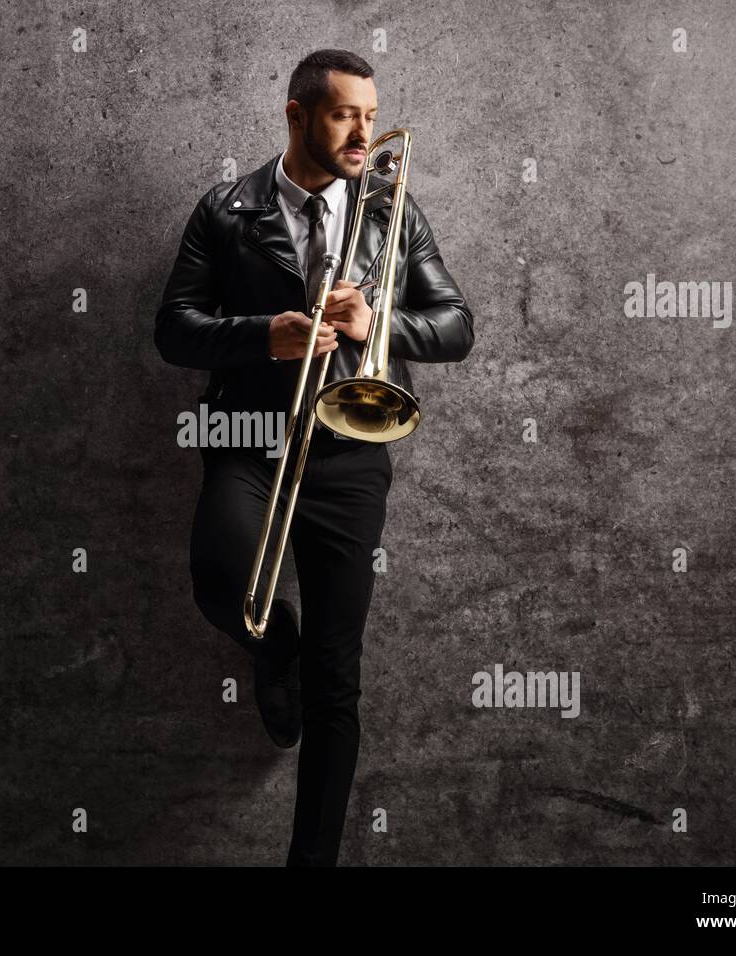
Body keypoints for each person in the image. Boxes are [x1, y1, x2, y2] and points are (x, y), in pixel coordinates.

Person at [154, 48, 475, 866]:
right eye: (344, 115)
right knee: (223, 584)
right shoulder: (227, 209)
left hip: (353, 445)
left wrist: (380, 328)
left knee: (339, 677)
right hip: (249, 440)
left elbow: (457, 326)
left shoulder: (390, 207)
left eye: (371, 114)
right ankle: (273, 646)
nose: (364, 131)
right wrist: (263, 335)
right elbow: (174, 328)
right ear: (297, 116)